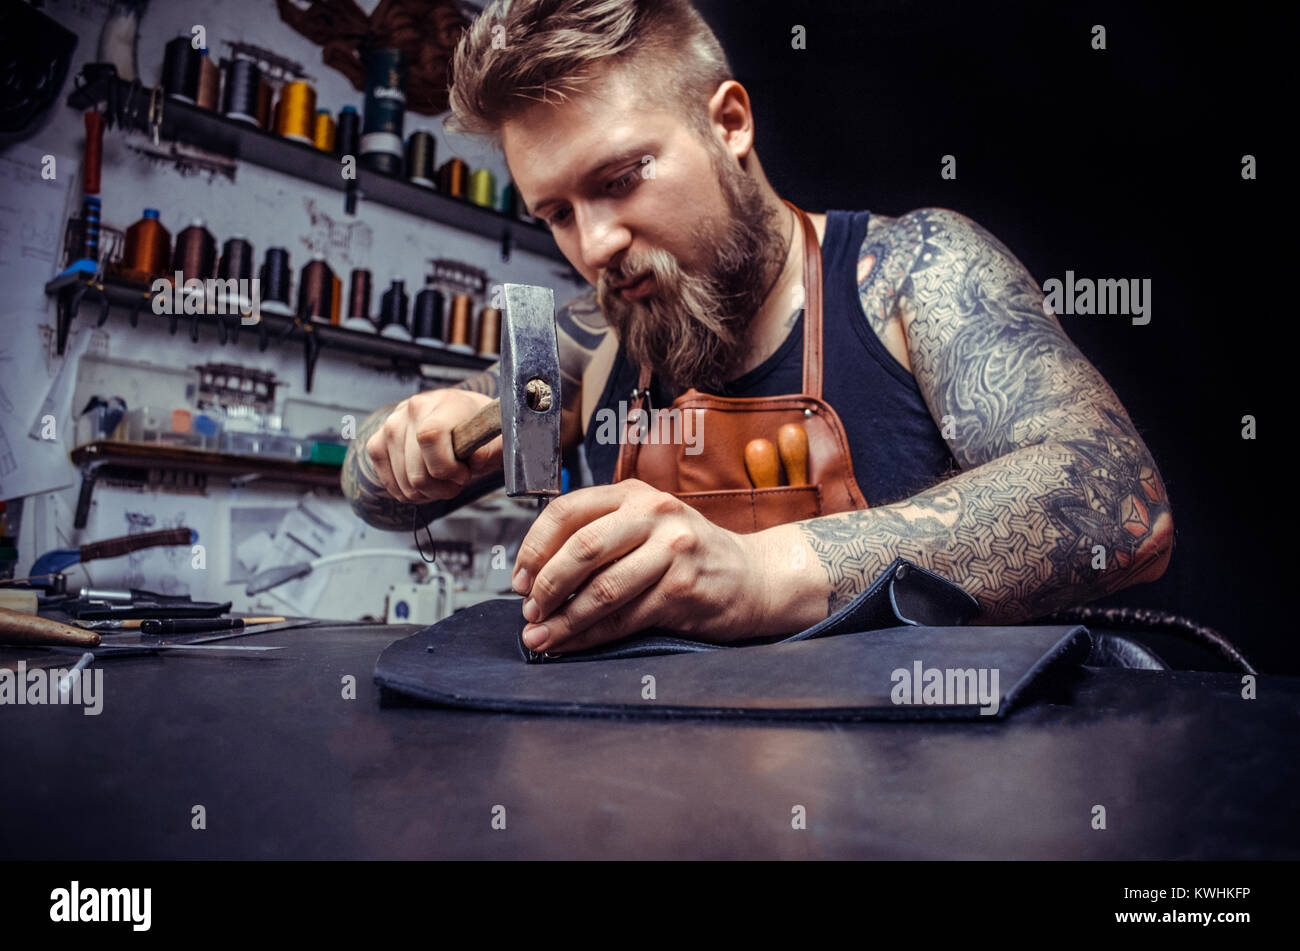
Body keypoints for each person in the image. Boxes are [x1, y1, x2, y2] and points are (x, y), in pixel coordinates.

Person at [342, 0, 1173, 655]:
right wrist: (407, 439)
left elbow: (1118, 504)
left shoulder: (910, 273)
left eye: (622, 179)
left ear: (729, 123)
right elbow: (369, 495)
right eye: (556, 213)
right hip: (644, 795)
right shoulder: (586, 343)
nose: (594, 245)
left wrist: (757, 573)